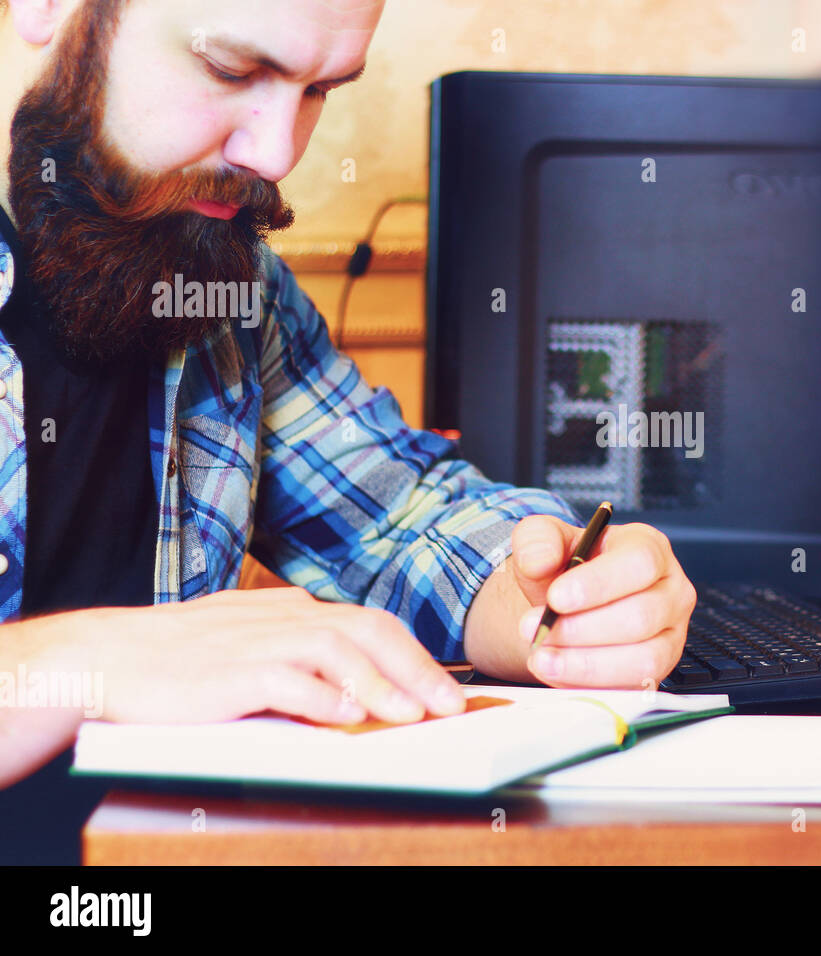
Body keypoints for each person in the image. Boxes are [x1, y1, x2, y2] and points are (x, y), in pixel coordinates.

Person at [0, 0, 696, 824]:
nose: (277, 154)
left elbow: (397, 520)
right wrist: (90, 664)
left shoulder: (227, 291)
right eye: (229, 68)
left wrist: (553, 602)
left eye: (318, 91)